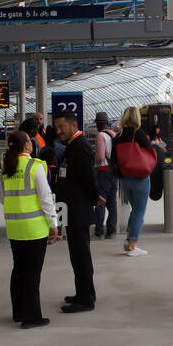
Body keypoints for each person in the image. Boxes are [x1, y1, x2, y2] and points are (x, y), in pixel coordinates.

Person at [0, 131, 55, 328]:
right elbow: (46, 198)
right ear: (27, 146)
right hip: (35, 228)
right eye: (30, 141)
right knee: (33, 273)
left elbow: (3, 196)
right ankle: (32, 317)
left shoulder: (6, 169)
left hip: (14, 228)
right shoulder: (35, 166)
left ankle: (19, 312)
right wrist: (53, 223)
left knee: (19, 270)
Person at [55, 109, 104, 313]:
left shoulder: (80, 146)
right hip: (73, 207)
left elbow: (88, 177)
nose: (58, 131)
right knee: (76, 253)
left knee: (81, 254)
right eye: (57, 127)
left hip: (79, 208)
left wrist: (95, 197)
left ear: (74, 126)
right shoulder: (73, 146)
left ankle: (86, 299)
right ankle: (82, 292)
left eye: (62, 127)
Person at [113, 106, 155, 257]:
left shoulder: (118, 136)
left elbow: (113, 160)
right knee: (139, 210)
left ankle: (128, 239)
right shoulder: (139, 134)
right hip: (140, 177)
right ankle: (132, 245)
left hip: (124, 178)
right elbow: (150, 151)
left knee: (135, 209)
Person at [93, 113, 118, 239]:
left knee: (100, 201)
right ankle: (111, 231)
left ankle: (99, 232)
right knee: (112, 202)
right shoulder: (114, 134)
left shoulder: (100, 136)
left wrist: (94, 160)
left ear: (99, 123)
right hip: (114, 171)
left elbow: (100, 157)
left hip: (103, 171)